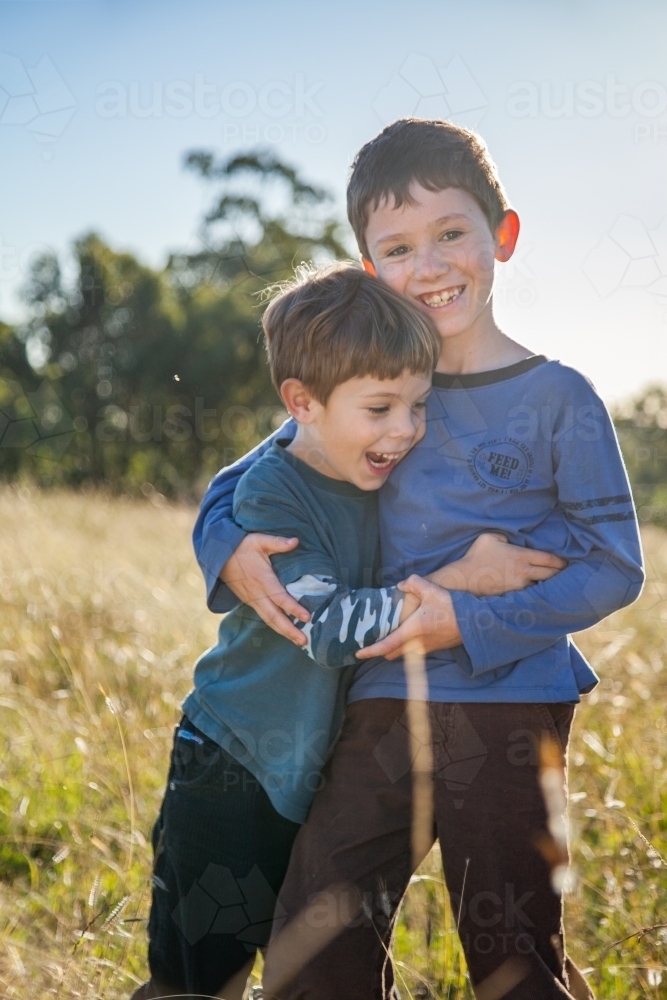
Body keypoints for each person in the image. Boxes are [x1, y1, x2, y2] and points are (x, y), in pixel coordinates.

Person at [193, 119, 644, 1000]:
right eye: (397, 248)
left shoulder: (559, 399)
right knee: (312, 947)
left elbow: (613, 565)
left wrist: (464, 618)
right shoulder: (375, 385)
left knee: (512, 959)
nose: (429, 266)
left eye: (450, 234)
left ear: (500, 235)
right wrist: (224, 547)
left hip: (510, 710)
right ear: (369, 266)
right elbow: (249, 478)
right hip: (378, 698)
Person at [131, 263, 557, 1000]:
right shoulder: (272, 491)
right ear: (302, 403)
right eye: (381, 407)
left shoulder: (376, 463)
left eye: (418, 405)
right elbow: (328, 629)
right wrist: (461, 580)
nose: (405, 430)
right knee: (197, 980)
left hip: (316, 773)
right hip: (229, 774)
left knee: (313, 958)